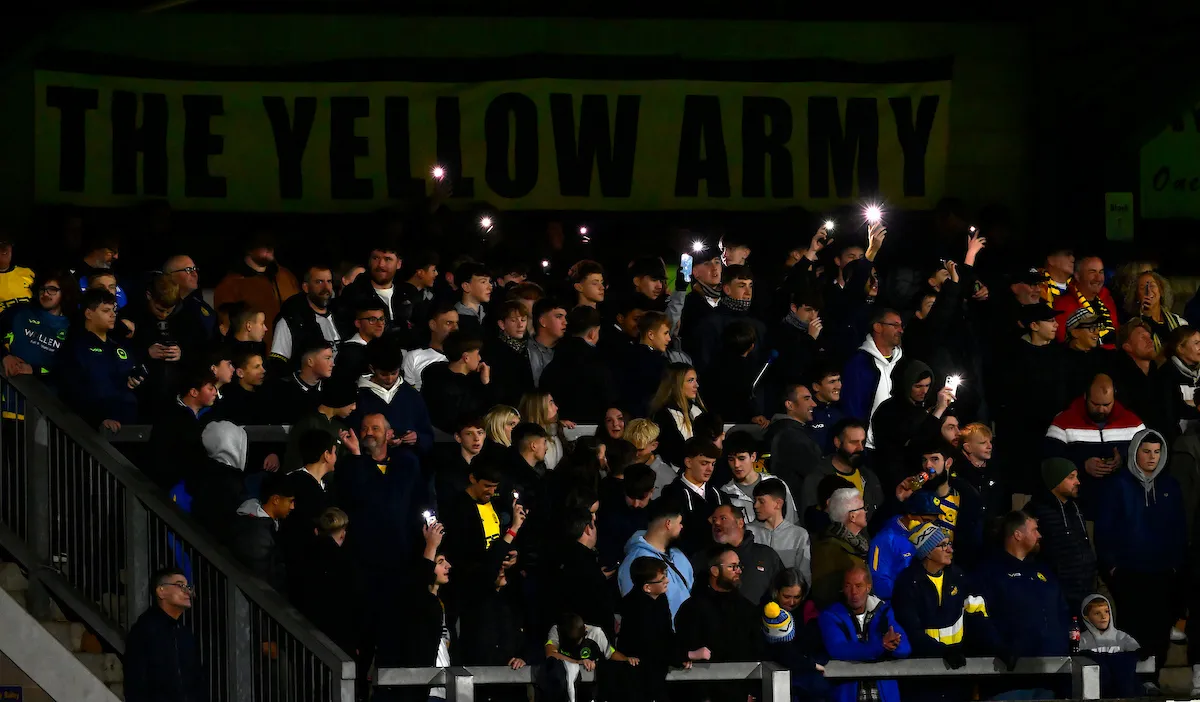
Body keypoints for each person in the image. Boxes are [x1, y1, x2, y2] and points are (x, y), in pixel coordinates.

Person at [1094, 428, 1186, 681]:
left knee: (1159, 629)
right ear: (1135, 452)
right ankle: (1132, 682)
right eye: (1146, 451)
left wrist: (1176, 565)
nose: (1152, 457)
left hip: (1163, 572)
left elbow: (1179, 528)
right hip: (1129, 572)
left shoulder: (1170, 485)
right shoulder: (1117, 485)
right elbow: (1105, 528)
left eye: (1157, 452)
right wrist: (1112, 566)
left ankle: (1152, 680)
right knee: (1132, 630)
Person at [975, 511, 1071, 700]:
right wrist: (1000, 648)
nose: (1040, 535)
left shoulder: (1044, 572)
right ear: (1018, 535)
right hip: (1008, 680)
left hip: (1051, 676)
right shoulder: (989, 573)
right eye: (1035, 530)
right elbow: (978, 618)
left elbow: (1063, 612)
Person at [818, 565, 910, 702]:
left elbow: (905, 648)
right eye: (848, 586)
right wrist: (880, 646)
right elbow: (838, 649)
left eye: (858, 586)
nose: (853, 592)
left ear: (868, 587)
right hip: (848, 695)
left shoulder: (883, 612)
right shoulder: (830, 615)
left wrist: (893, 644)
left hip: (883, 696)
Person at [124, 567, 207, 702]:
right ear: (161, 591)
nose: (188, 591)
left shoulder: (185, 634)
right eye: (180, 585)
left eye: (188, 586)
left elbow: (197, 680)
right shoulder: (145, 630)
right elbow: (135, 683)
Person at [617, 498, 695, 622]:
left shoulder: (678, 554)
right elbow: (635, 611)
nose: (681, 526)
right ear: (668, 524)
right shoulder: (636, 562)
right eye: (679, 522)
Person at [699, 503, 785, 605]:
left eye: (723, 518)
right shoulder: (704, 558)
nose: (716, 523)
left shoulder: (766, 555)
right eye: (713, 520)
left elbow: (783, 590)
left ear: (740, 523)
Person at [867, 491, 941, 599]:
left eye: (933, 522)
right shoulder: (886, 538)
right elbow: (880, 583)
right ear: (910, 515)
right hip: (899, 604)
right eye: (926, 520)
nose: (929, 526)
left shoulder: (930, 536)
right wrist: (910, 596)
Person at [809, 488, 870, 609]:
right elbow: (824, 593)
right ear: (852, 516)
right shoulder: (828, 549)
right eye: (863, 508)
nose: (866, 512)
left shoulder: (858, 543)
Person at [1079, 594, 1142, 699]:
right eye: (1097, 613)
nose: (1103, 617)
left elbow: (1137, 652)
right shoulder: (1082, 640)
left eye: (1106, 612)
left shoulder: (1121, 637)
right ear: (1086, 617)